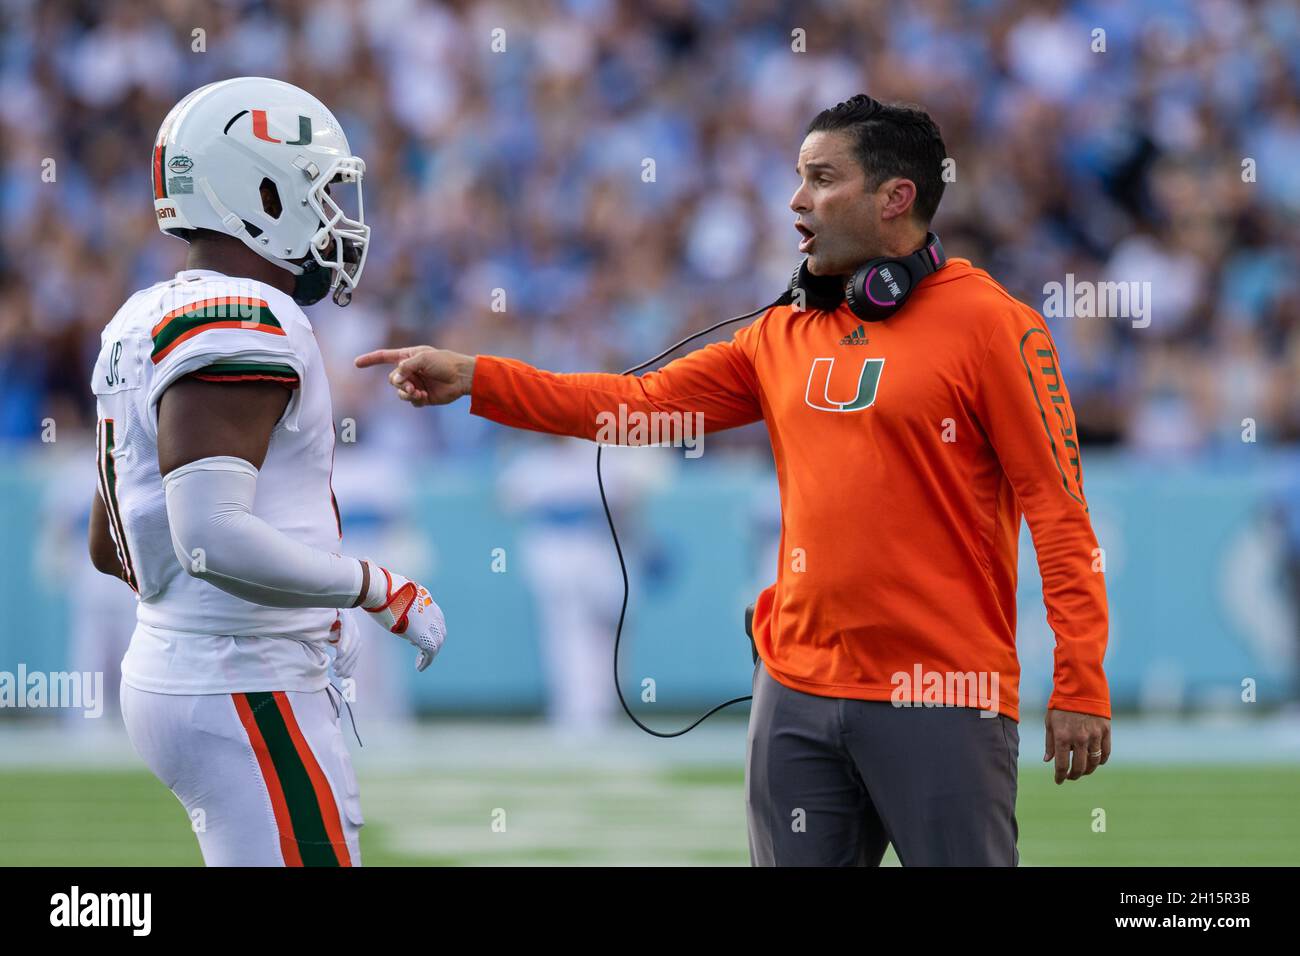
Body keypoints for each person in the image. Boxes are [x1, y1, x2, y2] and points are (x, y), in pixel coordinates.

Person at [358, 94, 1114, 867]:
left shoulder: (995, 325)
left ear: (896, 198)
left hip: (942, 693)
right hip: (795, 691)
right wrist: (478, 378)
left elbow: (1060, 515)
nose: (796, 199)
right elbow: (636, 406)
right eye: (797, 175)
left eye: (822, 178)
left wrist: (1081, 681)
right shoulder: (780, 332)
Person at [88, 77, 447, 866]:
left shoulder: (138, 316)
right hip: (243, 685)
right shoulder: (245, 316)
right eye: (319, 191)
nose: (334, 218)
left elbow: (113, 546)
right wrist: (374, 587)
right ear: (258, 188)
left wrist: (284, 611)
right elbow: (211, 537)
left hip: (183, 670)